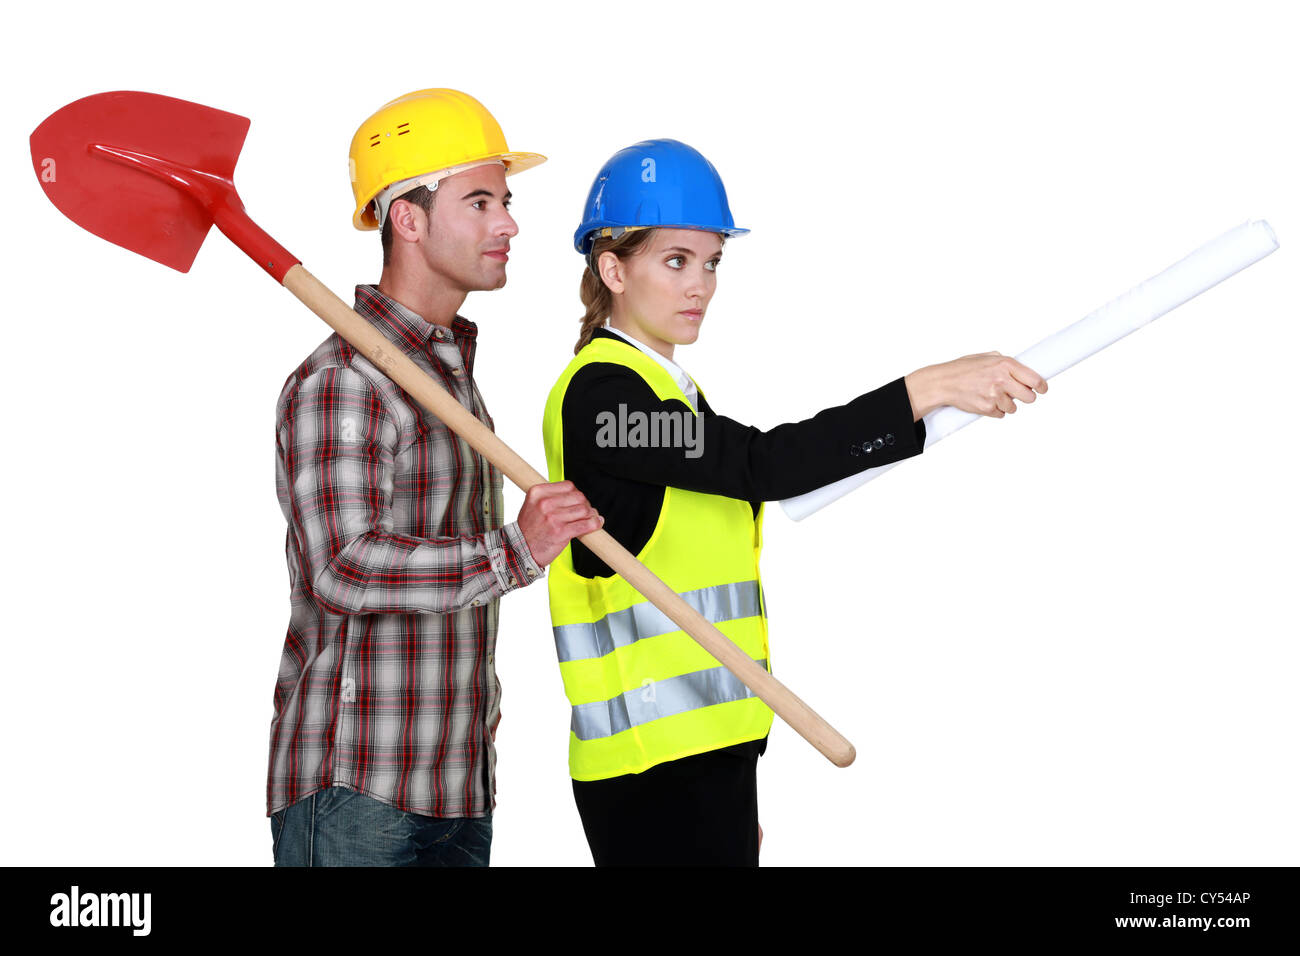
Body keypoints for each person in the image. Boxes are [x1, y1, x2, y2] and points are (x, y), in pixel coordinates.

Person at [541, 138, 1047, 866]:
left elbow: (763, 476)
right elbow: (762, 463)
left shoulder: (662, 392)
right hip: (651, 764)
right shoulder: (602, 400)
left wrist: (926, 418)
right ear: (613, 268)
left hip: (708, 752)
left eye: (711, 262)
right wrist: (923, 389)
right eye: (675, 261)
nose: (701, 286)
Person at [266, 89, 602, 867]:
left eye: (506, 200)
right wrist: (517, 548)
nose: (509, 223)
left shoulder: (447, 379)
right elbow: (342, 567)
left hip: (456, 791)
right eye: (479, 200)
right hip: (357, 793)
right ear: (407, 220)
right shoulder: (344, 381)